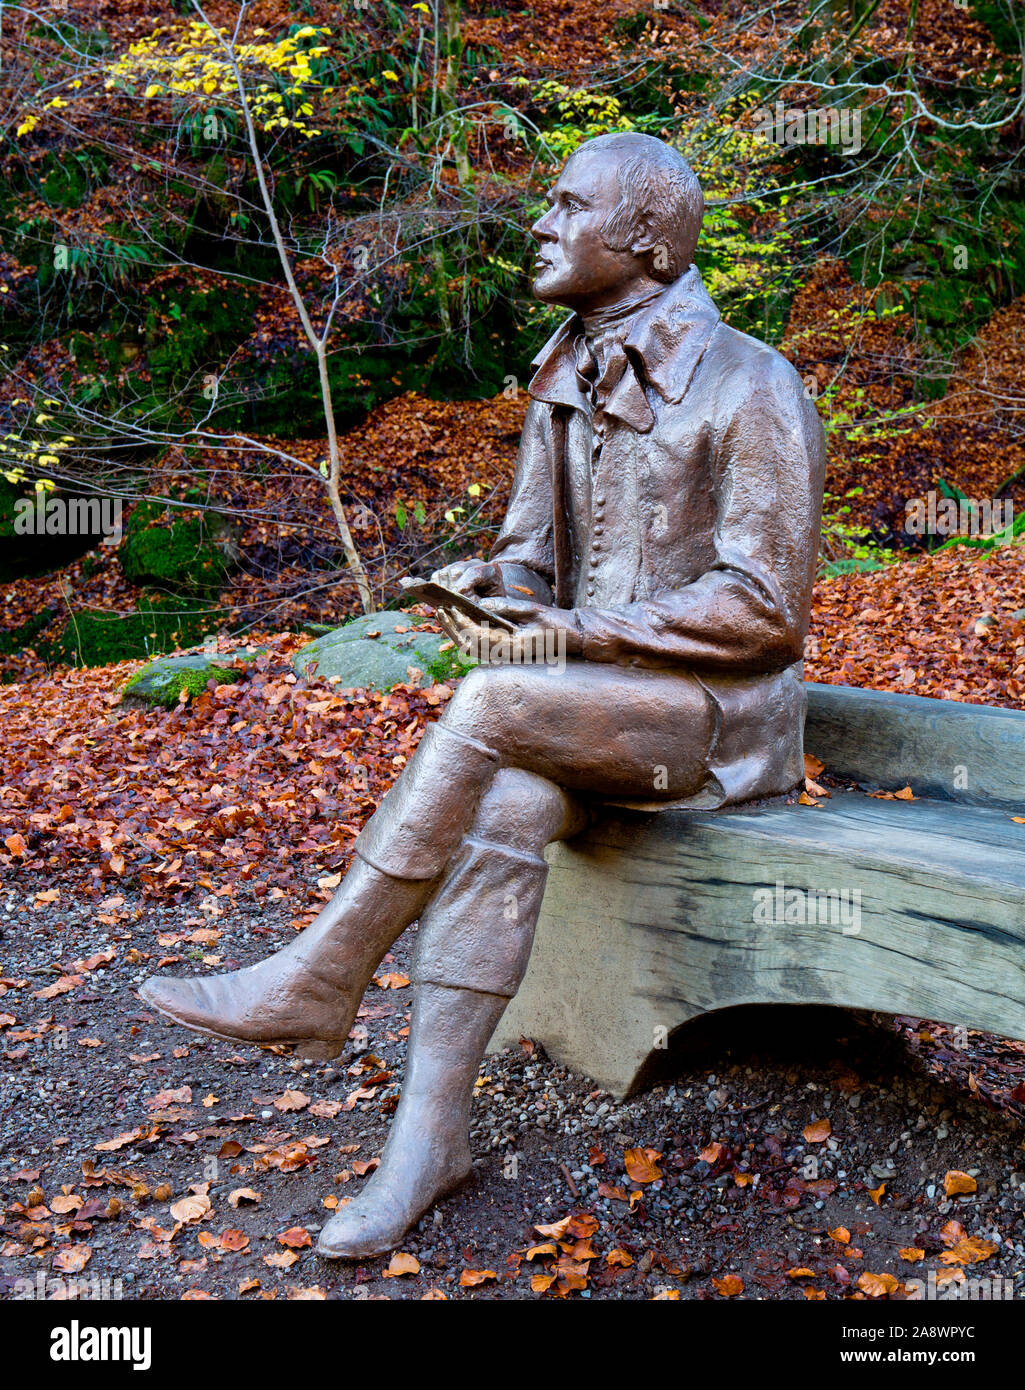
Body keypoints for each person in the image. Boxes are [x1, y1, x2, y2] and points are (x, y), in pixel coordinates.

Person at [140, 131, 826, 1258]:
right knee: (504, 800)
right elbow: (526, 555)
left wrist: (574, 632)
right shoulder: (565, 370)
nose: (540, 224)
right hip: (584, 713)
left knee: (489, 707)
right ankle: (427, 1139)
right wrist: (496, 595)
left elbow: (765, 610)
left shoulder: (750, 383)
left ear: (646, 236)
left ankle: (319, 974)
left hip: (710, 733)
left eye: (567, 206)